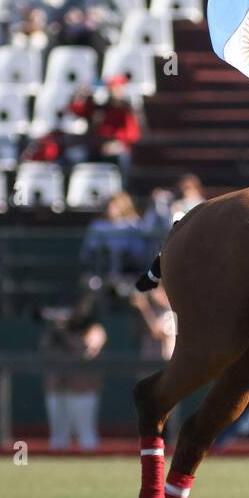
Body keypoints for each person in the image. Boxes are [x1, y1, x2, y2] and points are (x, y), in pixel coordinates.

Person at [41, 294, 107, 450]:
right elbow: (44, 349)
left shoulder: (94, 329)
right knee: (58, 440)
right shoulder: (54, 332)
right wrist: (56, 330)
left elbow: (88, 352)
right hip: (57, 390)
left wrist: (66, 337)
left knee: (87, 438)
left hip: (82, 391)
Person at [67, 82, 140, 182]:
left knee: (123, 158)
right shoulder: (98, 108)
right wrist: (80, 95)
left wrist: (116, 143)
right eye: (110, 90)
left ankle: (121, 191)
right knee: (74, 155)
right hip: (96, 147)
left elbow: (133, 135)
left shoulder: (125, 110)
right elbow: (76, 110)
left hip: (115, 148)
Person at [82, 192, 151, 297]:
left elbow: (139, 255)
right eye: (110, 206)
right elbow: (88, 254)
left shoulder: (135, 226)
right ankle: (79, 313)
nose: (111, 209)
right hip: (101, 274)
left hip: (130, 274)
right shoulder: (97, 226)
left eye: (115, 206)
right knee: (93, 288)